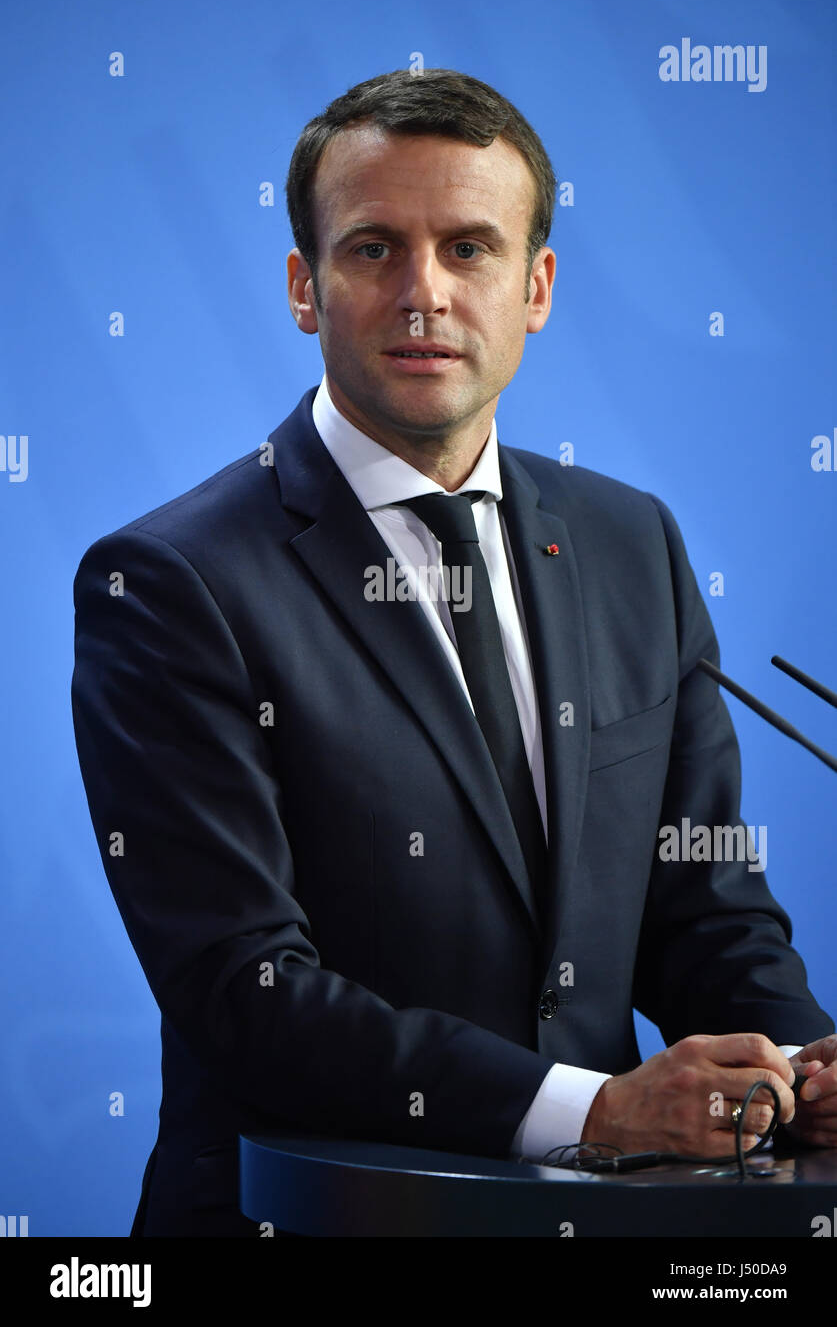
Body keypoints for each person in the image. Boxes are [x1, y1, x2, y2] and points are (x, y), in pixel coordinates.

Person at [71, 68, 836, 1238]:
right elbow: (248, 993)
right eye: (376, 248)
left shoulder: (634, 542)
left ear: (535, 288)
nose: (424, 292)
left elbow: (705, 906)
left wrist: (796, 1068)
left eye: (470, 248)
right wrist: (604, 1110)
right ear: (302, 287)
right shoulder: (170, 582)